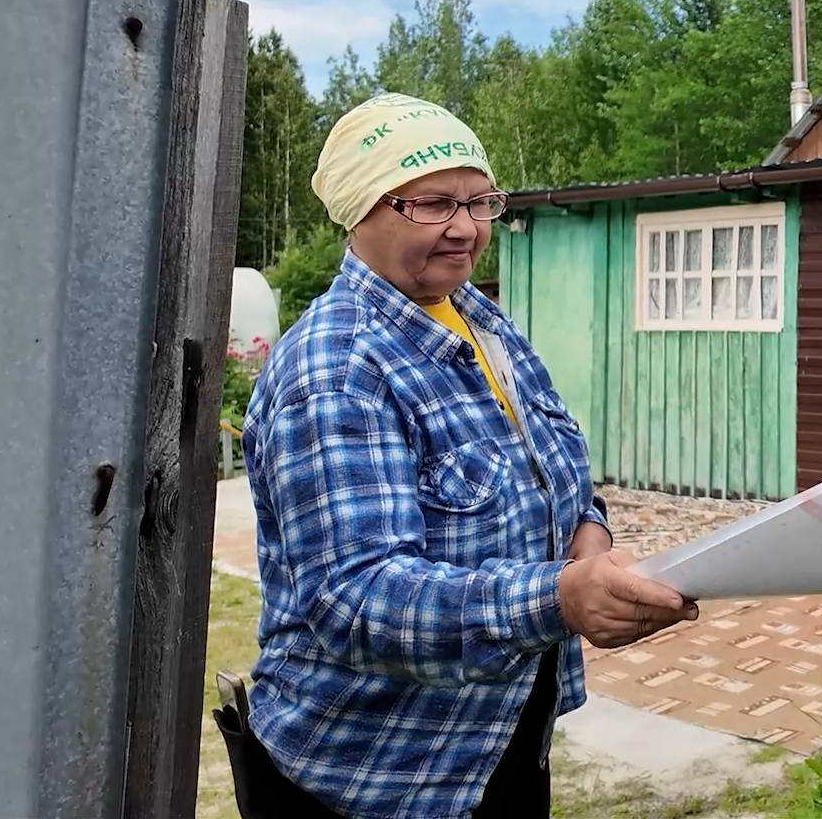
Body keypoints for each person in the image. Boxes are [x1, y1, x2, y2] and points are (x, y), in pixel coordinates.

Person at [236, 92, 697, 818]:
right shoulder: (335, 369)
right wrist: (559, 596)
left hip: (496, 739)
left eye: (480, 203)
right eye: (433, 205)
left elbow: (559, 471)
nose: (464, 229)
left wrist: (590, 540)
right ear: (364, 208)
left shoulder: (479, 318)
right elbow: (356, 601)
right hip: (376, 775)